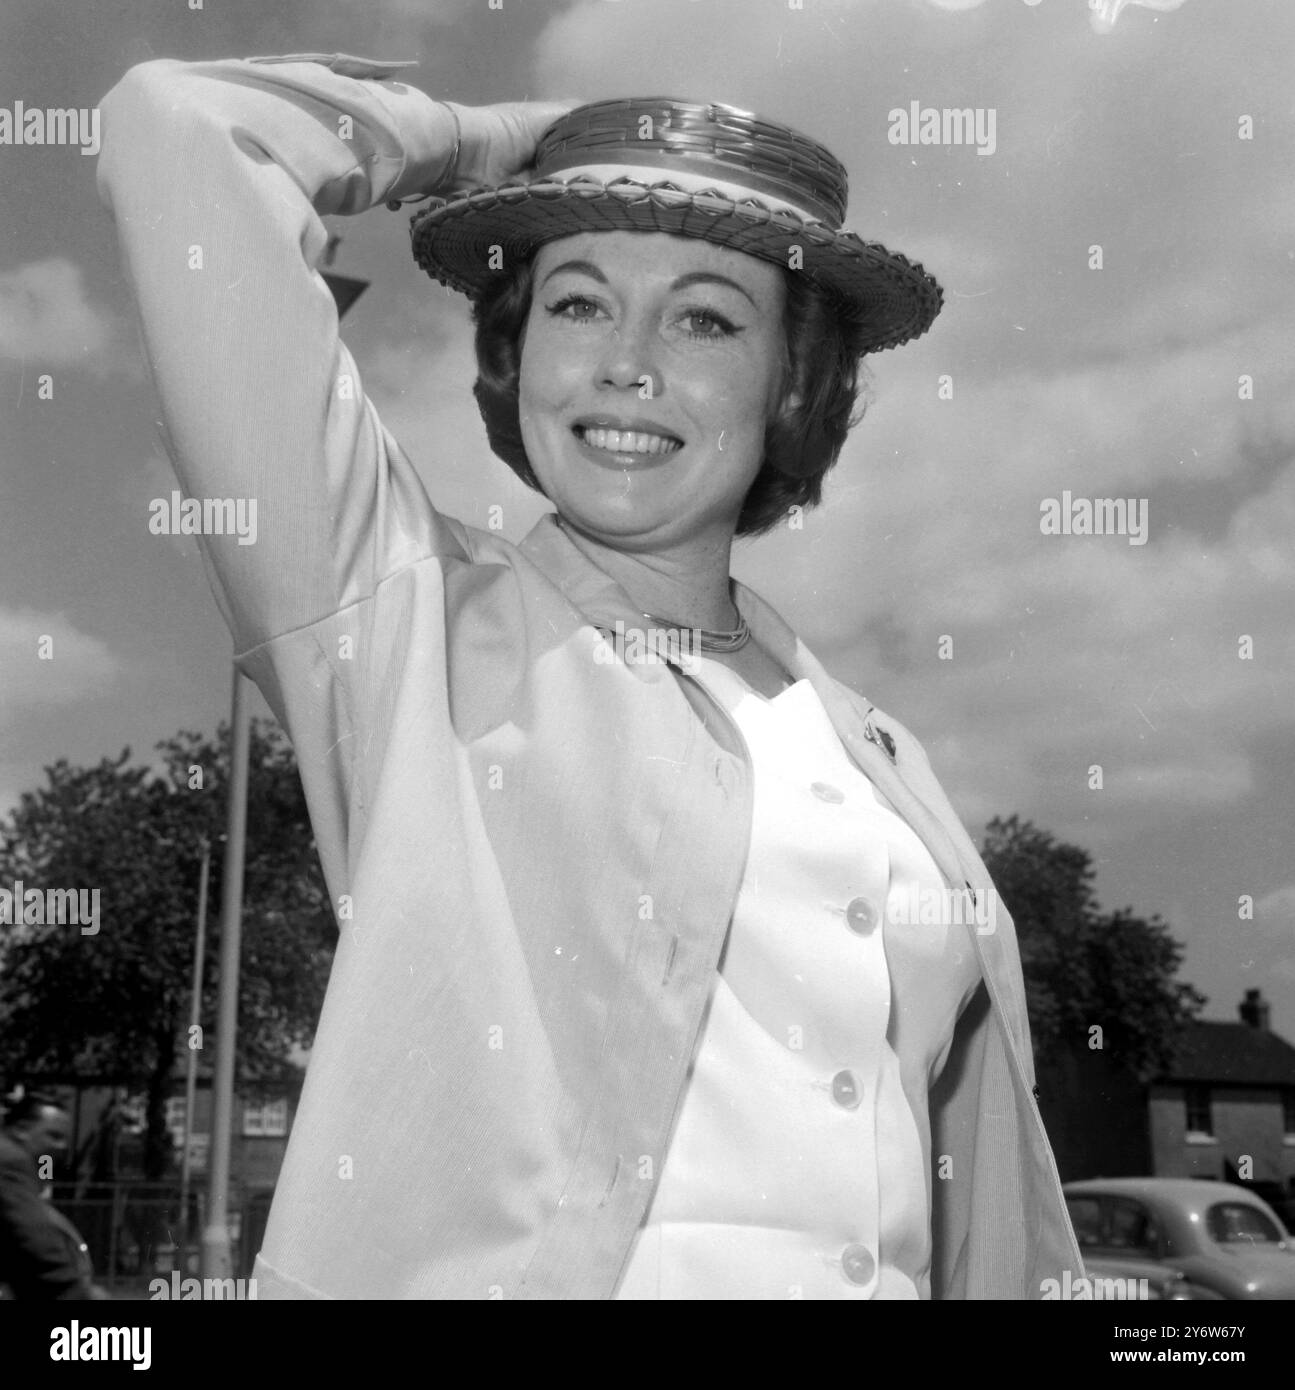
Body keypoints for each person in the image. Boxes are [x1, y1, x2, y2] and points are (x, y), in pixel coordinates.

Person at [96, 52, 1084, 1299]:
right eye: (574, 302)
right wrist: (491, 139)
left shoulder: (884, 762)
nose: (626, 362)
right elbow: (182, 130)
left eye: (705, 316)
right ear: (515, 354)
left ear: (794, 381)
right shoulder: (403, 621)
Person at [0, 1092, 87, 1299]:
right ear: (21, 1129)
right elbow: (42, 1259)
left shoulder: (40, 1161)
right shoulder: (13, 1161)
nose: (62, 1146)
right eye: (54, 1136)